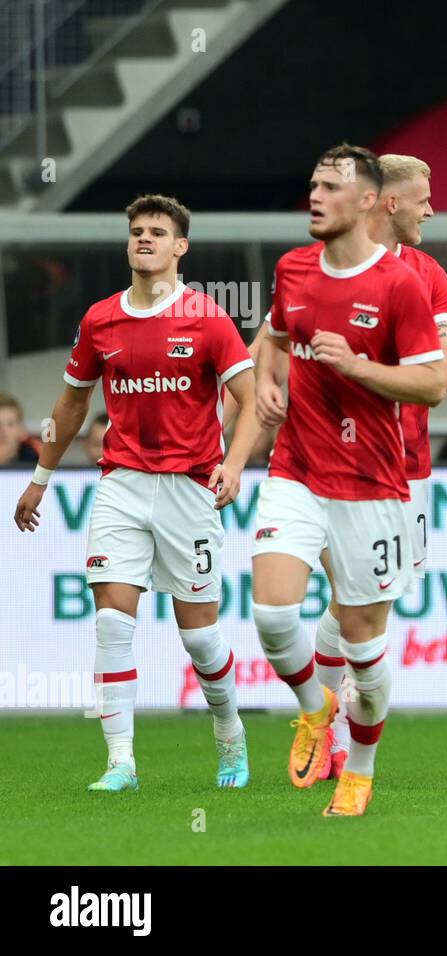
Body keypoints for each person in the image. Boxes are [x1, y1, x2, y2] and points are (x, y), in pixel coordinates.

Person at [13, 194, 260, 792]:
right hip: (121, 485)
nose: (144, 239)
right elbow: (72, 404)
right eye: (136, 231)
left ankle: (229, 732)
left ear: (181, 247)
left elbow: (252, 402)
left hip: (191, 490)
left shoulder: (207, 317)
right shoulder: (101, 320)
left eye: (157, 231)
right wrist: (41, 478)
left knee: (200, 637)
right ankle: (120, 761)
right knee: (112, 625)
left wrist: (234, 463)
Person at [251, 144, 444, 816]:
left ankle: (360, 769)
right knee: (272, 614)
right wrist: (270, 383)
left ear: (367, 200)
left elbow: (432, 384)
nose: (314, 196)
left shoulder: (399, 285)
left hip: (370, 482)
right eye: (311, 184)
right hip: (297, 468)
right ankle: (315, 705)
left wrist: (359, 369)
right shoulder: (292, 268)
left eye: (330, 187)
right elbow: (273, 337)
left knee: (365, 645)